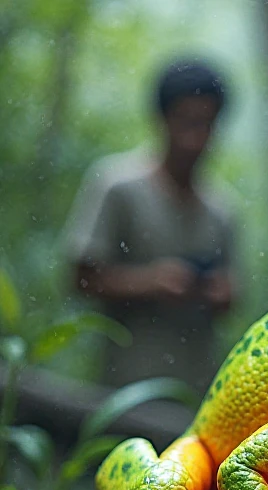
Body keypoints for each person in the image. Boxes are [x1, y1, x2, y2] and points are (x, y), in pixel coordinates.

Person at [63, 59, 239, 394]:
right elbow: (79, 277)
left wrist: (220, 293)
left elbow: (232, 296)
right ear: (161, 119)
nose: (195, 139)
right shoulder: (118, 186)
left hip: (197, 392)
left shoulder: (222, 210)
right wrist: (151, 282)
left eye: (206, 124)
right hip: (124, 387)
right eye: (186, 122)